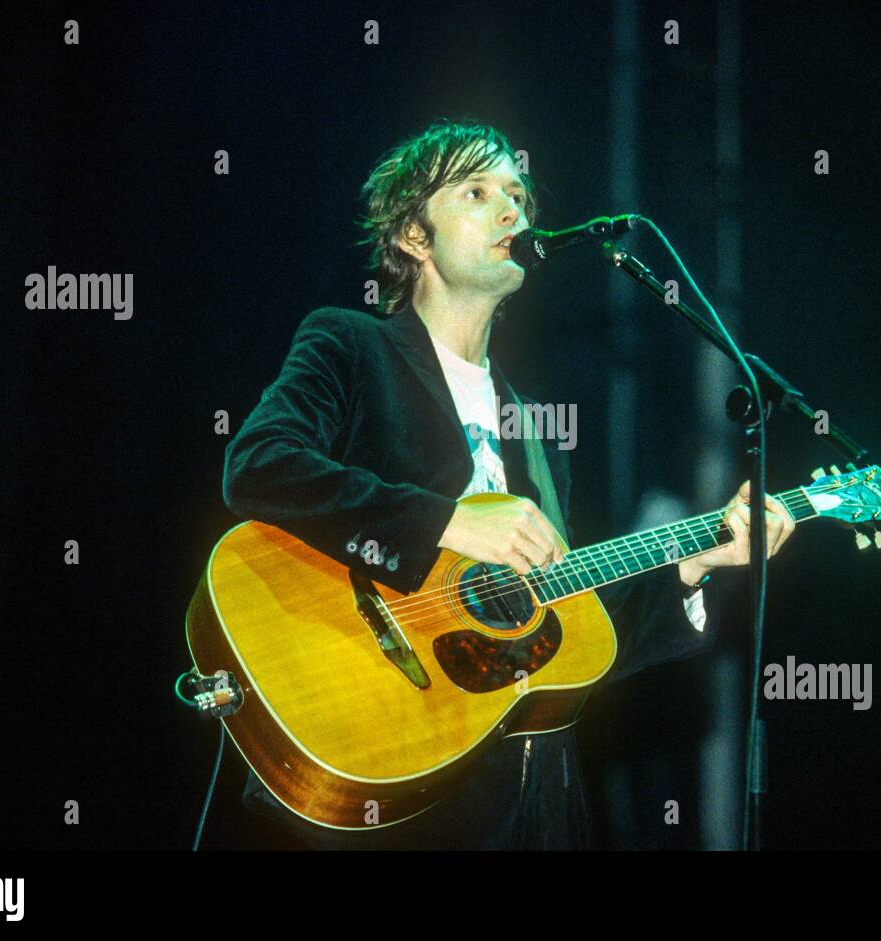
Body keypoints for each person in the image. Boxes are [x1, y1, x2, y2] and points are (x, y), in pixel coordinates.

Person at [222, 119, 795, 849]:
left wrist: (700, 560)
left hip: (533, 808)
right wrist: (447, 522)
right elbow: (260, 465)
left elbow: (567, 634)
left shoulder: (528, 428)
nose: (512, 213)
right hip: (394, 784)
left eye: (519, 196)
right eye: (477, 192)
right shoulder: (350, 345)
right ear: (413, 236)